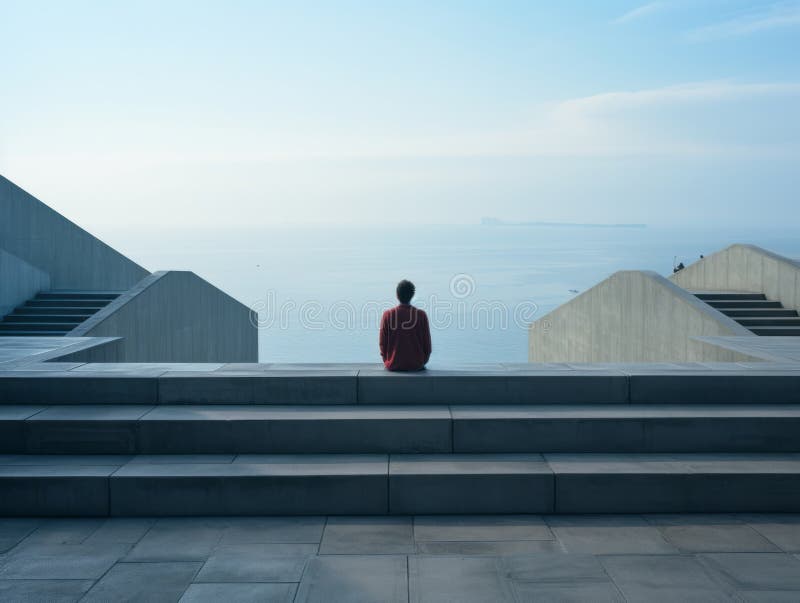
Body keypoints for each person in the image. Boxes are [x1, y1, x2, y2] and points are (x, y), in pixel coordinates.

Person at [379, 279, 432, 371]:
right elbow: (427, 345)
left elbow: (382, 344)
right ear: (412, 295)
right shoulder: (421, 315)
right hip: (417, 365)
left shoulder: (388, 315)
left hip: (393, 364)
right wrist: (422, 361)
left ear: (397, 295)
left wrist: (388, 361)